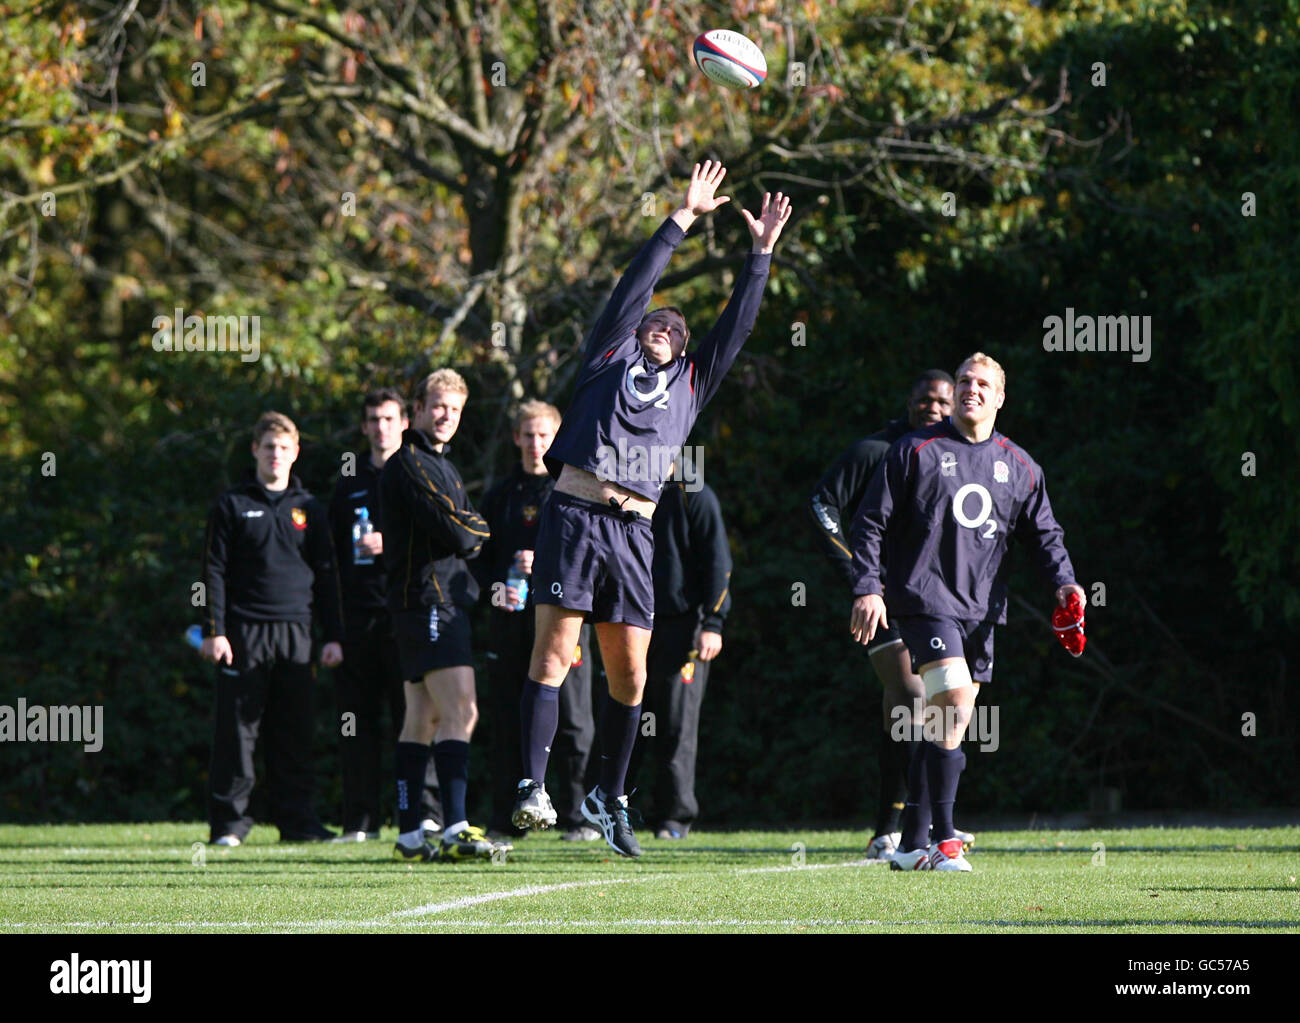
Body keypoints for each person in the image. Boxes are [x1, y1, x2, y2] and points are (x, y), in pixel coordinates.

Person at [512, 160, 793, 857]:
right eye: (654, 320)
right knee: (553, 653)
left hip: (634, 531)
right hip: (576, 515)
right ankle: (532, 786)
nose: (661, 323)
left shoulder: (692, 386)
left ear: (685, 347)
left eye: (674, 324)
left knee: (631, 676)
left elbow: (737, 325)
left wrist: (759, 256)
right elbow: (635, 286)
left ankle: (612, 796)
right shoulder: (608, 356)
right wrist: (684, 218)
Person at [849, 353, 1084, 871]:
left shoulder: (1021, 467)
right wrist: (868, 587)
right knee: (952, 701)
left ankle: (910, 843)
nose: (970, 389)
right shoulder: (914, 450)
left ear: (1000, 397)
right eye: (963, 382)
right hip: (923, 599)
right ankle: (945, 838)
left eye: (982, 384)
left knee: (945, 724)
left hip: (982, 610)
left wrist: (1065, 584)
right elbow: (869, 523)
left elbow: (1046, 536)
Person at [809, 370, 962, 861]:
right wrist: (860, 578)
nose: (934, 408)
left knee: (940, 704)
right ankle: (902, 830)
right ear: (910, 401)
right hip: (882, 595)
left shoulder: (955, 457)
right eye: (925, 400)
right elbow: (822, 503)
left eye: (943, 400)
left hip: (937, 598)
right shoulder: (876, 451)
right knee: (911, 697)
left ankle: (904, 826)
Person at [201, 411, 344, 845]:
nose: (276, 455)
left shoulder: (309, 508)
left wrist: (334, 635)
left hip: (297, 635)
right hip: (244, 634)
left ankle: (297, 824)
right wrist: (214, 629)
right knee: (237, 733)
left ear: (296, 452)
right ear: (255, 451)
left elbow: (326, 573)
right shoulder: (231, 504)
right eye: (269, 447)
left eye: (284, 448)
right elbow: (213, 570)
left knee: (295, 733)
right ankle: (230, 824)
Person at [380, 369, 503, 863]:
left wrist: (473, 527)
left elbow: (466, 524)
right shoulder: (411, 462)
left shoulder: (438, 463)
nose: (446, 416)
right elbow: (462, 533)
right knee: (463, 711)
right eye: (437, 406)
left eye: (454, 408)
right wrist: (478, 529)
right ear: (417, 409)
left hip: (425, 604)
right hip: (430, 601)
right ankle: (455, 825)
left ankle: (411, 833)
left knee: (423, 716)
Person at [475, 400, 598, 842]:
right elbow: (477, 563)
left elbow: (591, 558)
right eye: (528, 435)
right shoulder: (499, 496)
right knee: (509, 720)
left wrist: (546, 566)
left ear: (557, 438)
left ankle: (580, 819)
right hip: (510, 625)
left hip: (566, 622)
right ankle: (509, 821)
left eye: (544, 435)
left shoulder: (574, 491)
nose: (535, 444)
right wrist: (496, 589)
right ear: (515, 439)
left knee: (575, 721)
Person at [327, 387, 442, 842]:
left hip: (407, 614)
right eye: (373, 419)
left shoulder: (417, 472)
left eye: (389, 419)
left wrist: (389, 544)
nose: (381, 427)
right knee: (356, 722)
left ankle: (423, 813)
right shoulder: (348, 480)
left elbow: (440, 538)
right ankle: (360, 821)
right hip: (358, 620)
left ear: (404, 423)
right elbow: (330, 559)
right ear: (364, 426)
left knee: (414, 717)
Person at [625, 467, 731, 839]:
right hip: (631, 623)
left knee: (675, 724)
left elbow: (718, 564)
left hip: (683, 627)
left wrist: (713, 623)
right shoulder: (627, 491)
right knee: (629, 720)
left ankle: (674, 817)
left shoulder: (694, 494)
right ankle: (620, 809)